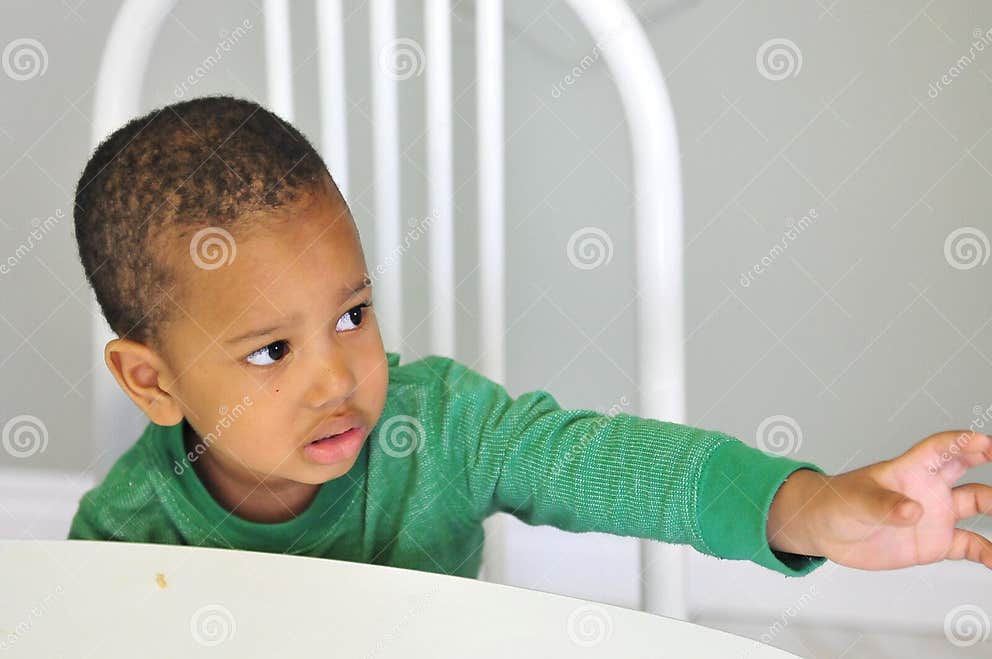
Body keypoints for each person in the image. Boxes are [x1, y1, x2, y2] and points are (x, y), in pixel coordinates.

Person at [67, 95, 992, 579]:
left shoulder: (448, 428)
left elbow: (622, 468)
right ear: (151, 383)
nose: (336, 377)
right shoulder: (124, 534)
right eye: (271, 350)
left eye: (352, 314)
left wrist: (810, 506)